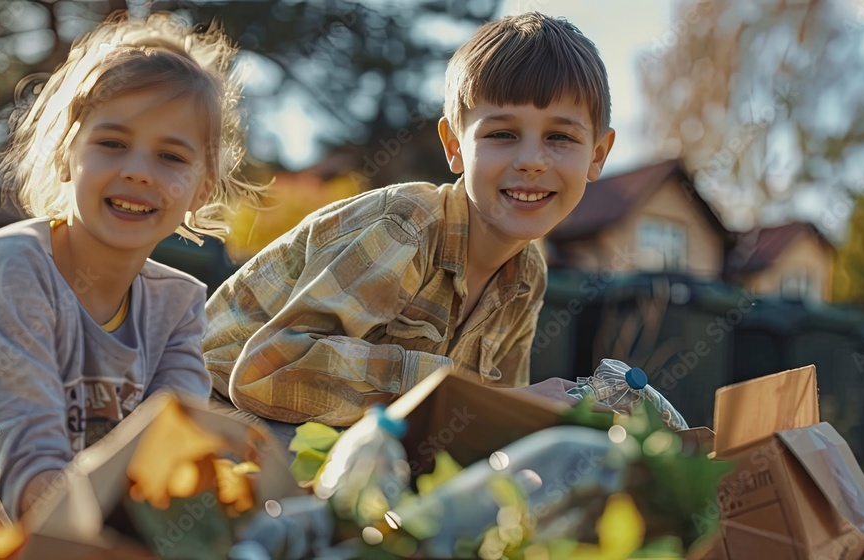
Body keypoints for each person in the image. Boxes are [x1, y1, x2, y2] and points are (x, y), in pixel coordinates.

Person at [204, 12, 615, 427]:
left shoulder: (527, 278)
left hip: (331, 439)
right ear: (454, 147)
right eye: (501, 134)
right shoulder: (406, 227)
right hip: (209, 407)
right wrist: (479, 396)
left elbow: (485, 422)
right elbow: (263, 374)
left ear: (597, 154)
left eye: (559, 137)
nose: (530, 162)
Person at [0, 12, 262, 520]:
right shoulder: (12, 264)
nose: (138, 172)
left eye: (171, 157)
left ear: (202, 187)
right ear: (65, 154)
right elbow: (24, 477)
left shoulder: (179, 302)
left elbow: (178, 449)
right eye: (112, 144)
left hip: (100, 527)